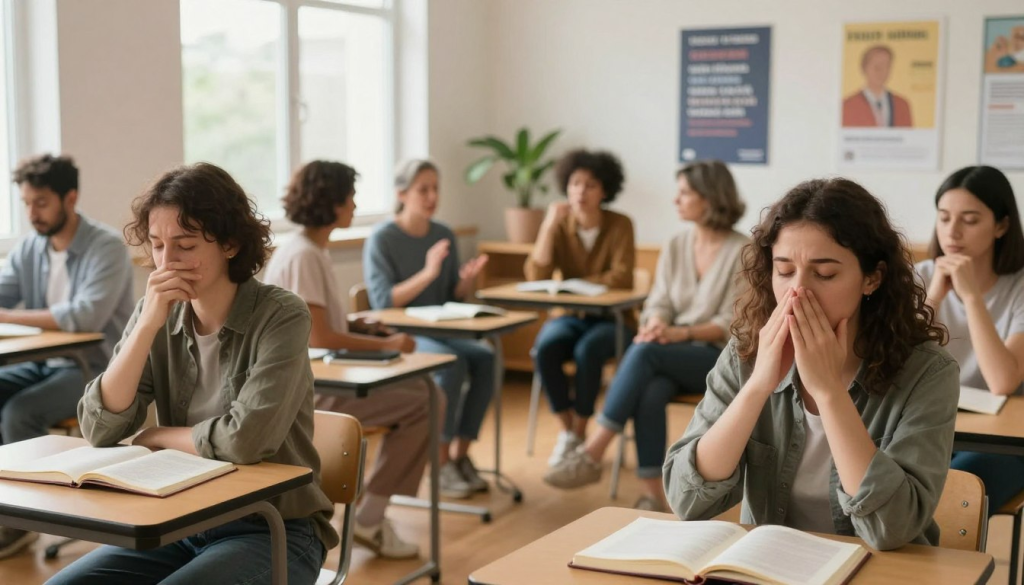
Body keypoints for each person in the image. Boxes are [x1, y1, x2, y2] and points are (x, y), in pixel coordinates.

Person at [49, 163, 336, 584]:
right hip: (183, 520)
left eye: (184, 245)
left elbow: (247, 439)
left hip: (276, 529)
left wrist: (160, 437)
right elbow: (99, 427)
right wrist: (147, 325)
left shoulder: (281, 314)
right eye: (158, 245)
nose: (167, 262)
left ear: (231, 244)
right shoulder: (157, 313)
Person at [664, 178, 958, 551]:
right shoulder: (747, 352)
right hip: (773, 568)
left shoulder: (927, 372)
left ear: (872, 278)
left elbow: (892, 527)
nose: (798, 292)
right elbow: (685, 499)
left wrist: (830, 392)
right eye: (784, 271)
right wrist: (757, 387)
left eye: (825, 274)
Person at [264, 160, 448, 559]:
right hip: (306, 396)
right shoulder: (305, 255)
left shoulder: (309, 250)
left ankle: (371, 515)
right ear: (331, 202)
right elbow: (319, 335)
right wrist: (389, 345)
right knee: (426, 400)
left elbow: (318, 322)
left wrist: (360, 327)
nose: (354, 205)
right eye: (351, 197)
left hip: (312, 381)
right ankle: (369, 519)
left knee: (423, 394)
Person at [544, 161, 748, 513]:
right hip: (670, 348)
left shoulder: (744, 251)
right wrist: (656, 322)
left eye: (684, 192)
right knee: (650, 390)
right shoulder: (677, 244)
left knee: (645, 354)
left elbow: (734, 322)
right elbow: (659, 300)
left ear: (711, 197)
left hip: (719, 357)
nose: (675, 200)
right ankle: (655, 496)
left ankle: (593, 451)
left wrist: (676, 332)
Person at [0, 154, 133, 559]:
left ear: (69, 198)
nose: (32, 213)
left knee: (20, 412)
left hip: (98, 369)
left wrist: (9, 316)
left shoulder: (105, 246)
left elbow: (84, 315)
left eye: (40, 203)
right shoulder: (32, 247)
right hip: (47, 363)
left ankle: (23, 521)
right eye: (25, 204)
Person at [363, 159, 493, 498]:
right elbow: (383, 303)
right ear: (402, 193)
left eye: (436, 188)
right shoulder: (382, 238)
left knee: (486, 357)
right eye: (424, 189)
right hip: (403, 336)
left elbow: (451, 295)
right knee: (450, 362)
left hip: (444, 330)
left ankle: (461, 454)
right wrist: (428, 271)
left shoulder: (443, 233)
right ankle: (440, 462)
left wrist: (465, 281)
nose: (432, 196)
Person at [917, 165, 1024, 512]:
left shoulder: (1019, 285)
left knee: (948, 490)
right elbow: (894, 366)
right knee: (893, 480)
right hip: (928, 425)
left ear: (1002, 226)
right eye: (944, 218)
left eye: (970, 220)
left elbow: (1002, 381)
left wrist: (972, 297)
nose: (953, 231)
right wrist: (933, 297)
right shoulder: (920, 277)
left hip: (999, 440)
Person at [524, 148, 635, 468]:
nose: (580, 192)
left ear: (604, 191)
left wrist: (576, 284)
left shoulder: (620, 224)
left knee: (589, 350)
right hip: (570, 315)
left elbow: (622, 277)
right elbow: (536, 275)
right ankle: (569, 433)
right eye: (574, 184)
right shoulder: (559, 226)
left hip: (614, 320)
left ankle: (581, 430)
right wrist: (547, 226)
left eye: (589, 185)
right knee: (545, 347)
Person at [841, 45, 913, 128]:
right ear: (864, 68)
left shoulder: (902, 105)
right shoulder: (848, 106)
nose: (880, 71)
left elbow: (908, 138)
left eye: (885, 66)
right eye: (876, 66)